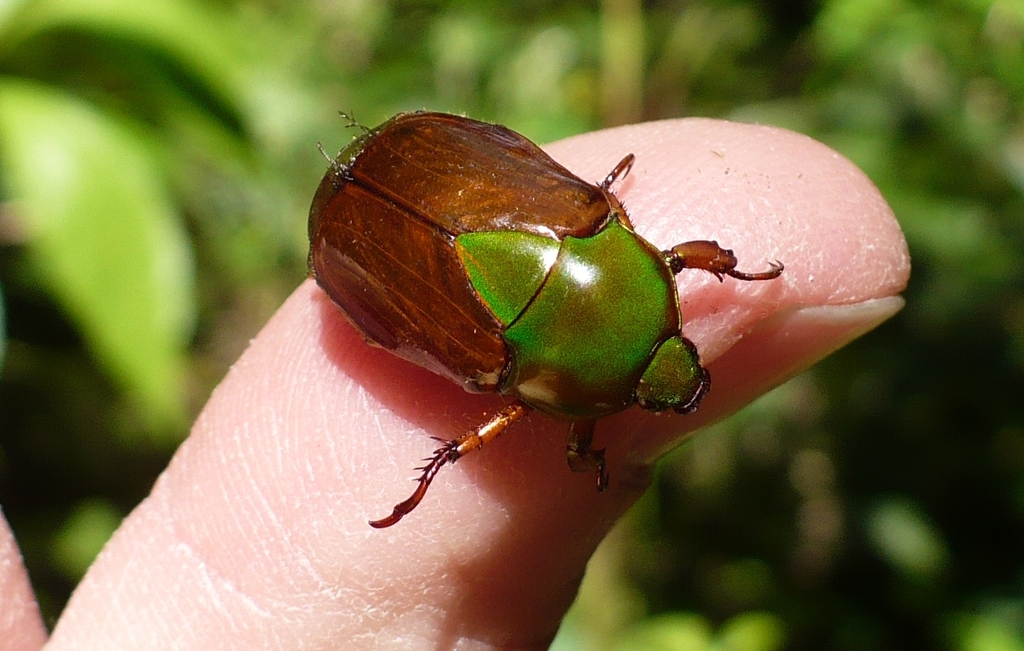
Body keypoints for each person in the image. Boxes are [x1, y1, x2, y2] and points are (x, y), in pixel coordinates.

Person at [0, 118, 909, 650]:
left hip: (398, 181)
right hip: (386, 203)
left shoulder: (601, 227)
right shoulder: (523, 374)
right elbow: (563, 426)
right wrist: (585, 441)